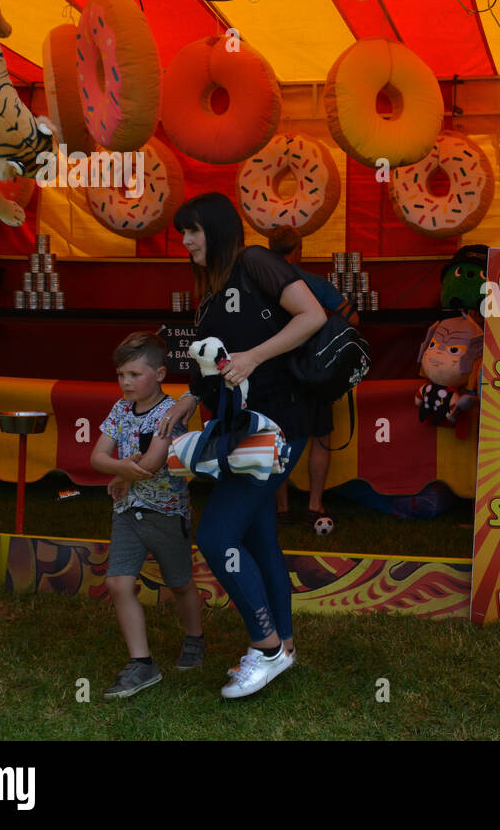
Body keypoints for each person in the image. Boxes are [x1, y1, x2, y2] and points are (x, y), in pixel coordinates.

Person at [156, 193, 327, 698]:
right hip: (240, 429)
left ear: (218, 229)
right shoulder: (209, 288)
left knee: (216, 536)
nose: (185, 242)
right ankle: (286, 647)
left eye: (193, 231)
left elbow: (311, 315)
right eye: (182, 233)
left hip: (277, 426)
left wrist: (253, 356)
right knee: (256, 539)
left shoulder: (254, 262)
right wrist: (189, 396)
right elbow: (214, 362)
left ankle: (266, 648)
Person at [91, 332, 202, 699]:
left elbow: (153, 464)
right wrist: (125, 468)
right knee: (118, 583)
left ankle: (195, 637)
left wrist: (120, 471)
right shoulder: (119, 409)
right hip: (126, 512)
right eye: (121, 374)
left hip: (167, 514)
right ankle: (142, 663)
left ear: (159, 374)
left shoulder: (171, 414)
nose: (126, 382)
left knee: (180, 584)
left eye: (135, 374)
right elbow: (96, 457)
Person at [266, 226, 359, 527]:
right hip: (313, 370)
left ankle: (281, 508)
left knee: (276, 439)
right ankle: (314, 504)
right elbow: (353, 318)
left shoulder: (260, 282)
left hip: (275, 369)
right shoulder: (315, 283)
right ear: (299, 249)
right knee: (320, 436)